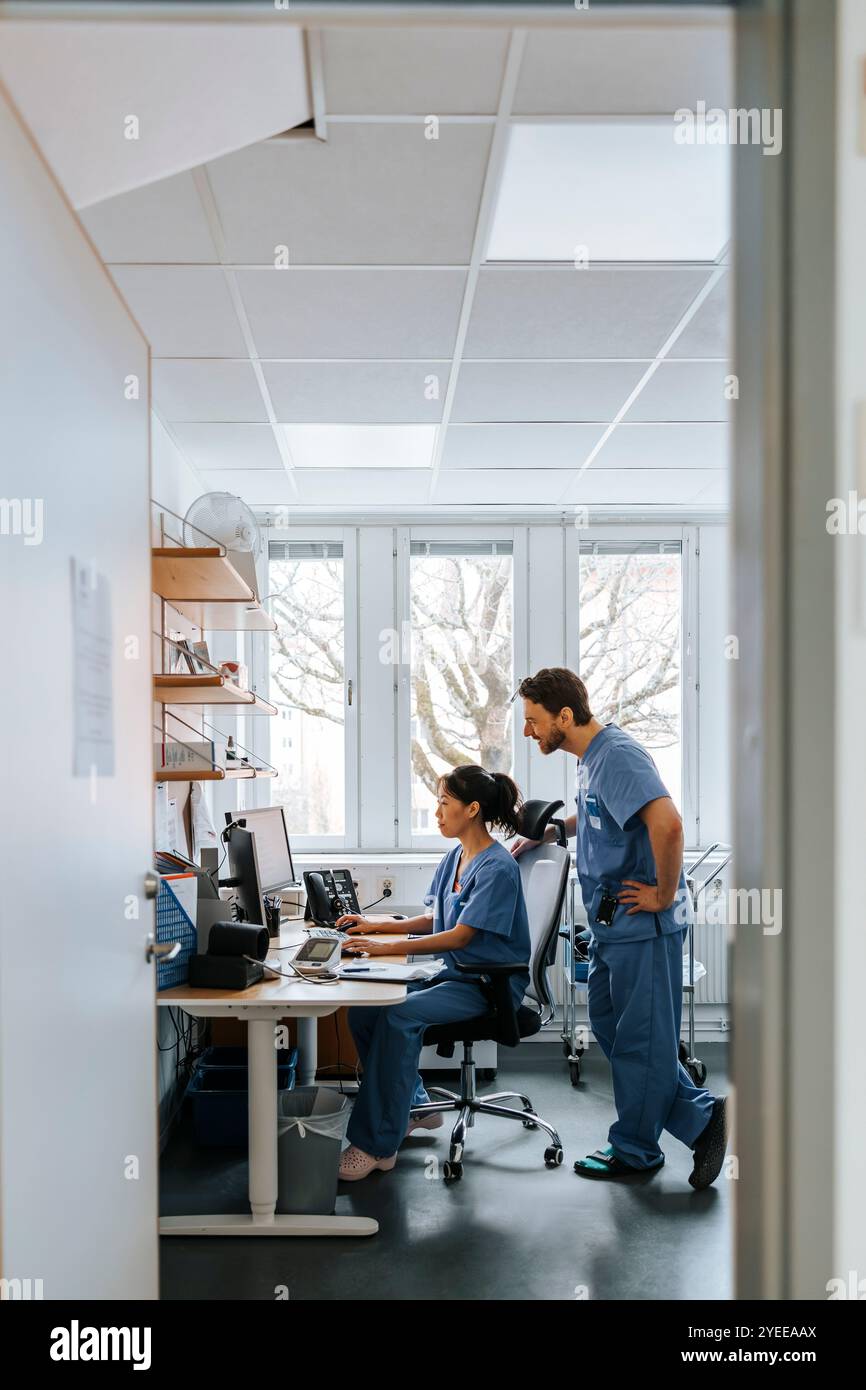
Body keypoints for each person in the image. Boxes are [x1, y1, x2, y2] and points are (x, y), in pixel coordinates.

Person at [512, 667, 728, 1189]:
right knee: (611, 1027)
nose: (528, 733)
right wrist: (553, 831)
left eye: (533, 721)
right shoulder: (591, 761)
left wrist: (664, 893)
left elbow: (668, 824)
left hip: (643, 926)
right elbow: (603, 815)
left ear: (565, 716)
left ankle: (636, 1149)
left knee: (643, 1041)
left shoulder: (618, 755)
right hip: (613, 926)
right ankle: (700, 1118)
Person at [335, 764, 531, 1182]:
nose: (438, 813)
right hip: (454, 974)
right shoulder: (457, 856)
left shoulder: (497, 867)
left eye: (444, 804)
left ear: (472, 809)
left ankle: (376, 1145)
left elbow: (459, 937)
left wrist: (387, 947)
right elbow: (434, 917)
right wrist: (376, 925)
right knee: (364, 1011)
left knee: (397, 1015)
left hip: (486, 984)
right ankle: (415, 1107)